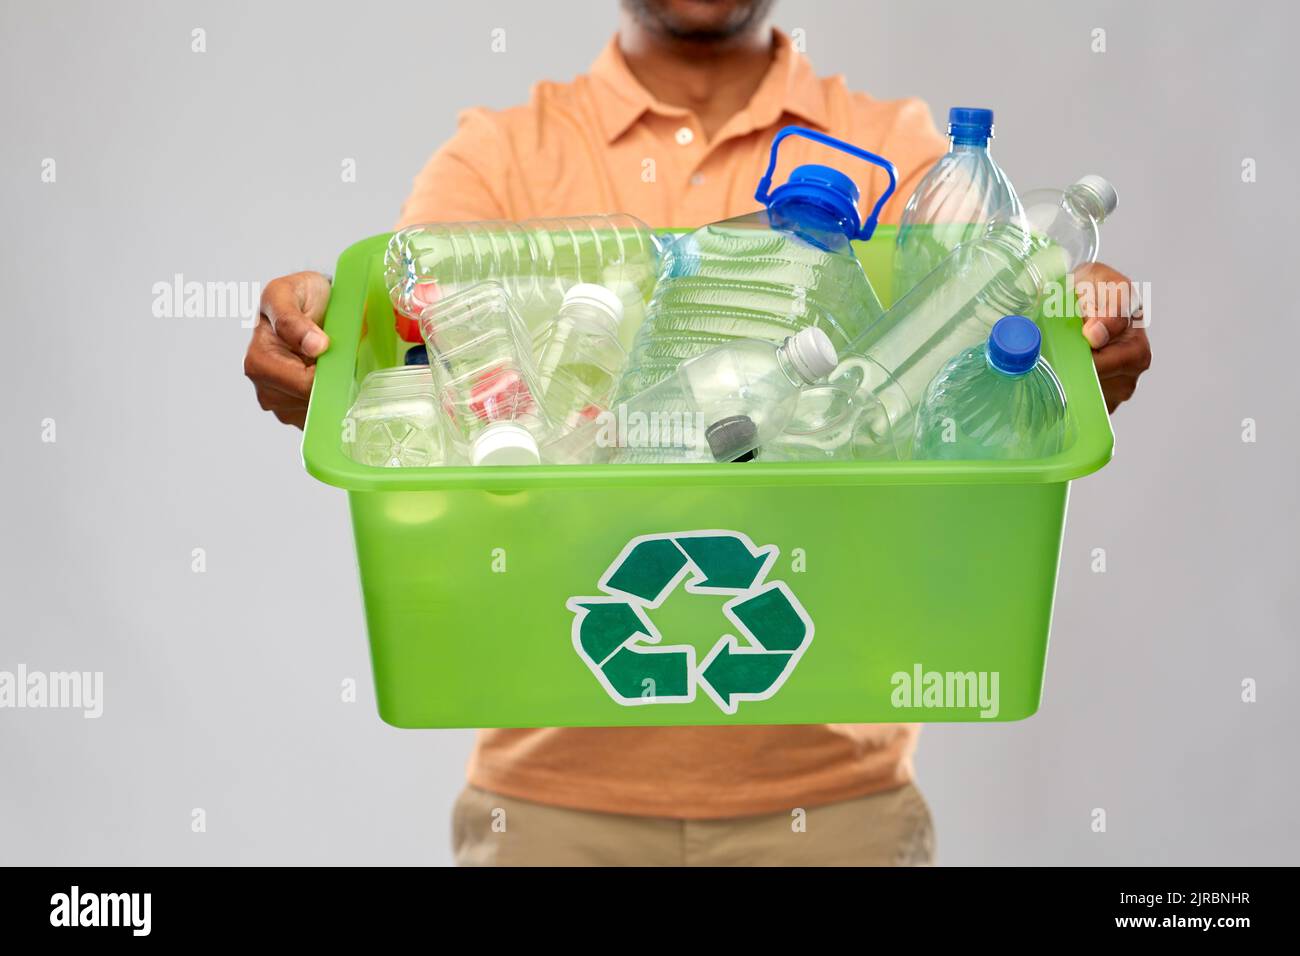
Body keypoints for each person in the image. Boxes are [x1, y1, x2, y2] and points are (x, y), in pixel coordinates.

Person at [244, 0, 1151, 866]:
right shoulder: (502, 154)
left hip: (838, 805)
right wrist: (313, 355)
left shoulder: (898, 147)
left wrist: (1062, 344)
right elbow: (407, 346)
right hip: (550, 808)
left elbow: (983, 343)